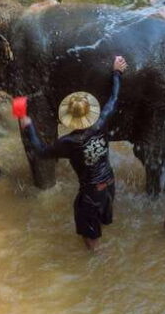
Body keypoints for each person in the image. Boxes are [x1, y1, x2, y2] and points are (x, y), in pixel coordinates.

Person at [18, 55, 128, 251]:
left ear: (69, 119)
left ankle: (97, 265)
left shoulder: (69, 142)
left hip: (90, 194)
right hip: (110, 184)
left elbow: (41, 152)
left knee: (91, 240)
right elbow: (114, 98)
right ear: (90, 112)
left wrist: (28, 126)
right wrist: (117, 72)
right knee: (100, 221)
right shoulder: (101, 122)